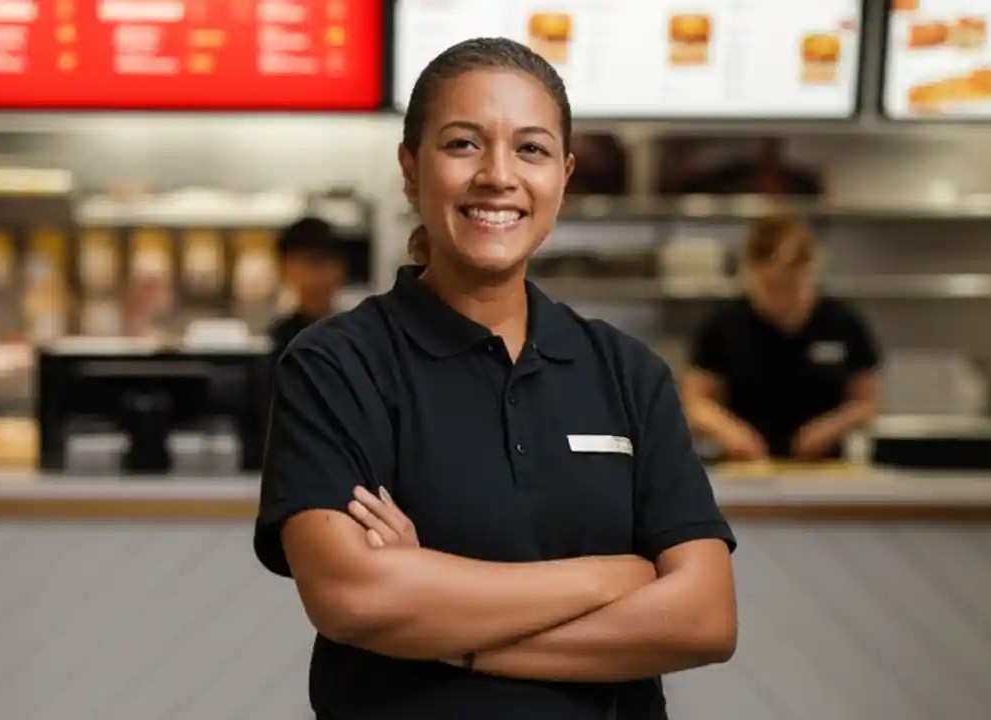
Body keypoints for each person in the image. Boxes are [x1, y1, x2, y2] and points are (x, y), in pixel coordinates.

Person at [254, 37, 737, 720]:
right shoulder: (337, 366)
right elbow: (355, 598)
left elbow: (705, 618)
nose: (498, 175)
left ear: (563, 176)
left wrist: (446, 629)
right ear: (410, 168)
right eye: (463, 144)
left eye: (531, 149)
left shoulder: (629, 372)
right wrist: (613, 576)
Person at [682, 214, 881, 462]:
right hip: (744, 468)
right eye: (770, 286)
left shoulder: (843, 324)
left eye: (790, 285)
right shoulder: (722, 325)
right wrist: (730, 432)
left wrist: (830, 427)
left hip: (825, 468)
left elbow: (867, 403)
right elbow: (696, 402)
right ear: (749, 273)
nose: (780, 298)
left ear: (810, 270)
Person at [265, 216, 347, 381]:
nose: (316, 276)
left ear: (341, 269)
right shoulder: (277, 342)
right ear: (285, 268)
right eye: (308, 263)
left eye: (323, 262)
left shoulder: (357, 339)